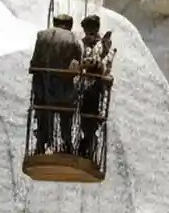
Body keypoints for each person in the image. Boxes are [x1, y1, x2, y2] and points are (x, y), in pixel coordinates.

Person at [30, 14, 81, 155]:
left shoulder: (42, 36)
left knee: (43, 114)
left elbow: (34, 62)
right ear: (69, 24)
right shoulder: (73, 39)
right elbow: (76, 67)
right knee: (65, 116)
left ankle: (42, 144)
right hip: (64, 89)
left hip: (43, 88)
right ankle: (67, 144)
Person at [74, 14, 115, 160]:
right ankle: (85, 146)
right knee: (84, 119)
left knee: (91, 119)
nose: (88, 34)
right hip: (84, 87)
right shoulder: (84, 43)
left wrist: (90, 65)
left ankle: (89, 148)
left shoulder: (103, 44)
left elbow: (104, 62)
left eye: (91, 30)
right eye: (86, 31)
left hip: (95, 88)